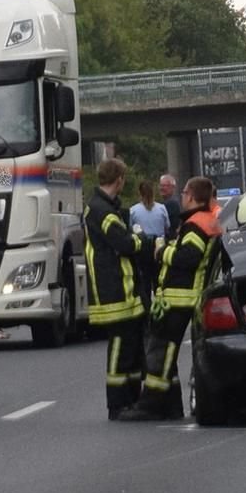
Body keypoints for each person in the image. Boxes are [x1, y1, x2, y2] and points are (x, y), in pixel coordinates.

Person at [118, 176, 221, 421]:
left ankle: (151, 404)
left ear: (193, 197)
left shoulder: (196, 224)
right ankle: (172, 406)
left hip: (180, 297)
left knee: (159, 350)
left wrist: (163, 251)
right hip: (185, 297)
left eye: (185, 192)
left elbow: (189, 257)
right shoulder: (206, 221)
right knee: (168, 355)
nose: (182, 196)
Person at [83, 157, 153, 420]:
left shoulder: (102, 206)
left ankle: (132, 399)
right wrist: (143, 242)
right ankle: (117, 403)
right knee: (121, 348)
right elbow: (123, 243)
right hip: (114, 290)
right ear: (120, 179)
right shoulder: (102, 211)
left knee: (132, 347)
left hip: (122, 289)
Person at [129, 180, 169, 313]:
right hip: (159, 245)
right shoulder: (162, 208)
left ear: (139, 193)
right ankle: (161, 309)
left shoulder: (133, 210)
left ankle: (147, 311)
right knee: (159, 280)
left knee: (145, 281)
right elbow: (167, 226)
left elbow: (131, 228)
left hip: (143, 246)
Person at [158, 174, 182, 239]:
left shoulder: (172, 203)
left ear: (172, 187)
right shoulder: (163, 203)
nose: (161, 188)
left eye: (164, 186)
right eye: (160, 185)